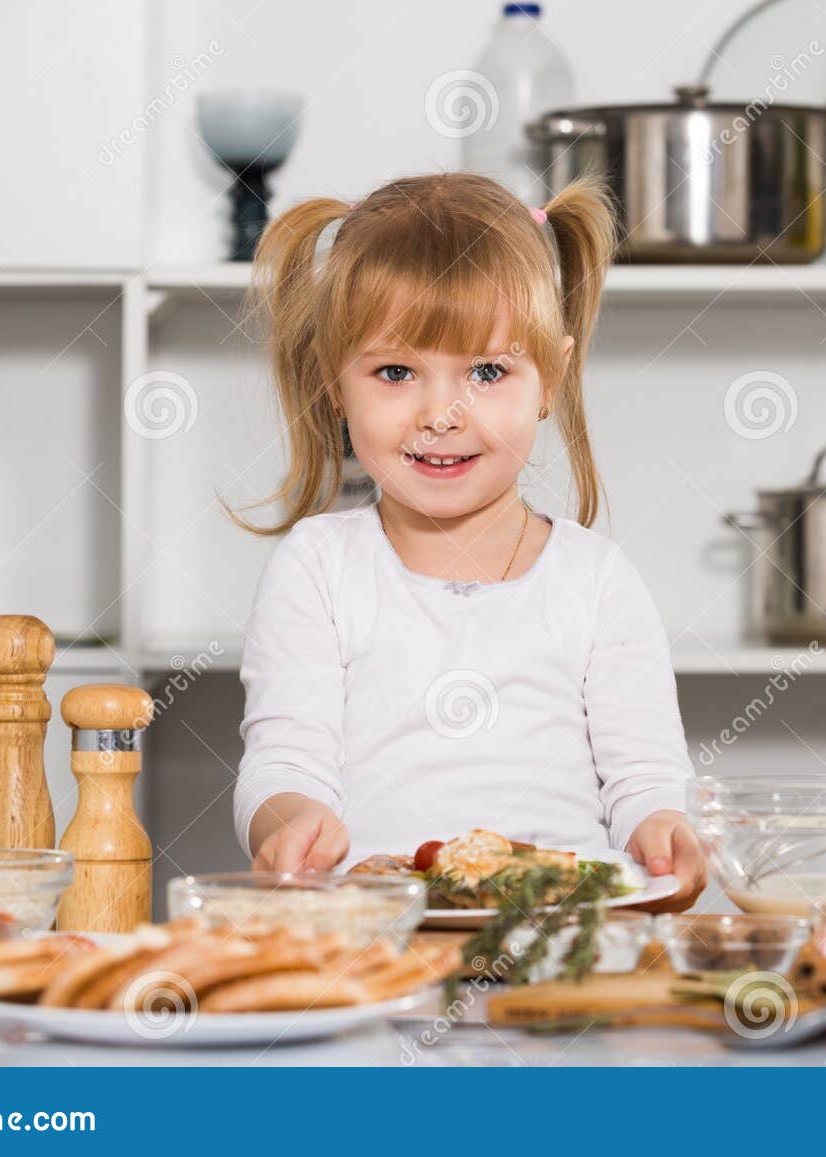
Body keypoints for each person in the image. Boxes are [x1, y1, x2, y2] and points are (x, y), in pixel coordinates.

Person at [230, 171, 704, 910]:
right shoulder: (318, 568)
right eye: (395, 371)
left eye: (487, 371)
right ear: (334, 383)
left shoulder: (598, 582)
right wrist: (294, 821)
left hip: (564, 944)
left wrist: (662, 827)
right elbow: (283, 761)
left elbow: (644, 778)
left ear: (551, 378)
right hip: (378, 941)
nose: (441, 413)